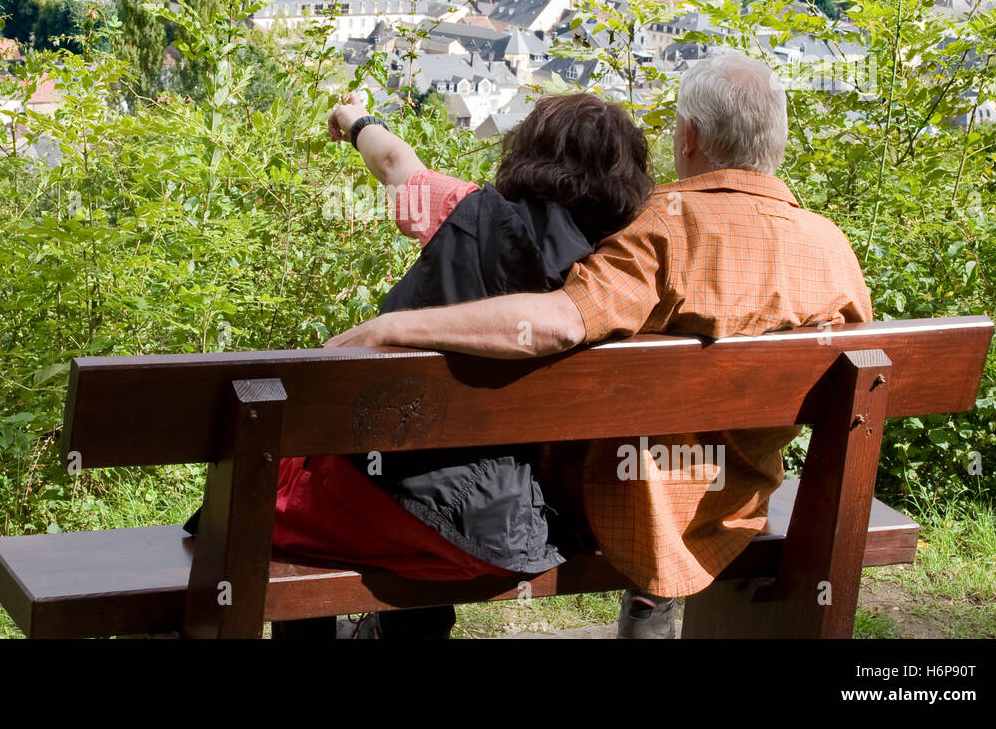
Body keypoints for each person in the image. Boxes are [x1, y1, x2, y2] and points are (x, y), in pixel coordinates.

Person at [324, 52, 874, 638]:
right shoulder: (832, 247)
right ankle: (652, 598)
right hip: (738, 497)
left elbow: (563, 321)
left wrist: (392, 328)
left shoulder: (661, 230)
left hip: (626, 502)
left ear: (688, 135)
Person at [270, 90, 654, 638]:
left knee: (275, 501)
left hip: (402, 510)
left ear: (529, 153)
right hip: (520, 522)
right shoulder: (612, 274)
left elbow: (394, 164)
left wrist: (356, 120)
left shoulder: (463, 209)